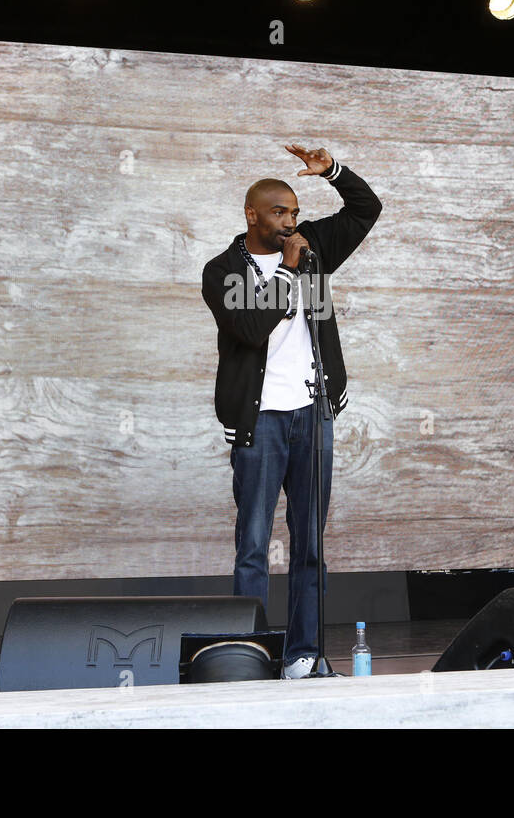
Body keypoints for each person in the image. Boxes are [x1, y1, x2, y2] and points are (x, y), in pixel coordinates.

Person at [202, 143, 381, 679]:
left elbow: (365, 209)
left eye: (296, 213)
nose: (291, 222)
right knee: (253, 544)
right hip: (260, 422)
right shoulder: (222, 271)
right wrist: (287, 269)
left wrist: (333, 171)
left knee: (310, 544)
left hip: (313, 413)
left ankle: (304, 654)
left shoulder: (316, 248)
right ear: (251, 214)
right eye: (279, 212)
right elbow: (255, 329)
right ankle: (250, 653)